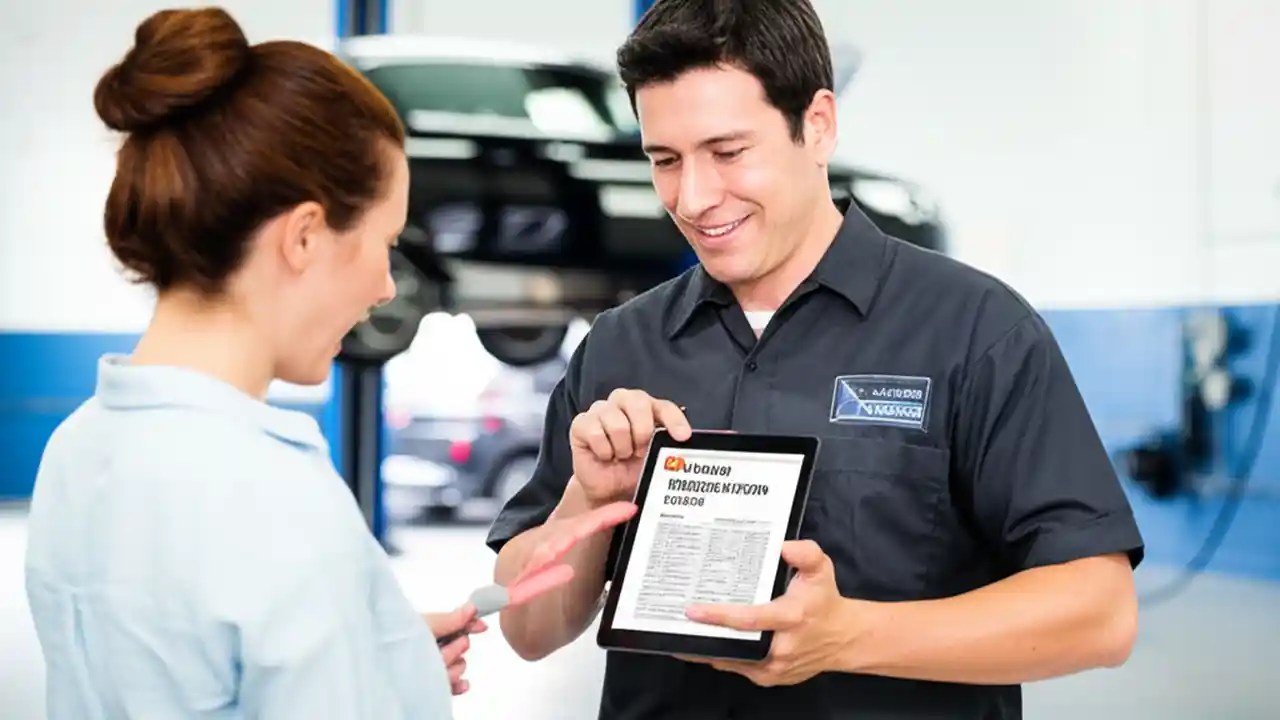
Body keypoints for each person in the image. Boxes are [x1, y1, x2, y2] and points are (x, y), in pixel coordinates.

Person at [487, 1, 1145, 718]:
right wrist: (593, 499)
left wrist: (850, 636)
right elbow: (527, 629)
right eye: (665, 161)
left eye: (728, 152)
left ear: (819, 125)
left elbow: (1100, 613)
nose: (694, 197)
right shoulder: (620, 345)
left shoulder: (974, 331)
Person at [22, 7, 634, 719]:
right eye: (384, 241)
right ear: (305, 236)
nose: (384, 286)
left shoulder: (77, 449)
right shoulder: (275, 496)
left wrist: (377, 656)